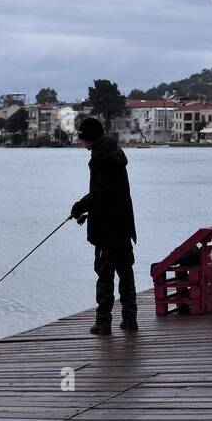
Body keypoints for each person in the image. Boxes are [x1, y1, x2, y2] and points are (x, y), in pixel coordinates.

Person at [70, 117, 138, 336]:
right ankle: (130, 319)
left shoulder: (99, 158)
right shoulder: (116, 154)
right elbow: (112, 194)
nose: (81, 143)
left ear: (89, 138)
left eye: (81, 138)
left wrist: (79, 206)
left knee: (105, 275)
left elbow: (100, 193)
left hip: (107, 229)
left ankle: (103, 322)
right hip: (124, 224)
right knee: (126, 272)